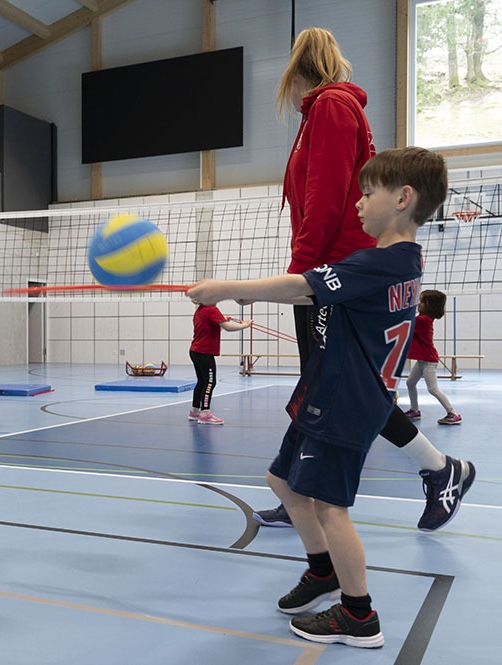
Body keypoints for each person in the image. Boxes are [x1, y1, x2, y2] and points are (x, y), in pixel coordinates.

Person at [188, 146, 472, 647]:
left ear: (403, 198)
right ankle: (323, 570)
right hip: (330, 390)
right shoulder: (399, 262)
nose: (358, 204)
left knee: (329, 508)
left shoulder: (380, 262)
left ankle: (359, 615)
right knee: (282, 482)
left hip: (346, 400)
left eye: (367, 193)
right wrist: (253, 294)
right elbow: (316, 292)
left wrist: (225, 286)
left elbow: (306, 283)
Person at [252, 27, 473, 532]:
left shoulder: (329, 107)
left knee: (342, 391)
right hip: (335, 269)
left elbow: (327, 196)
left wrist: (302, 275)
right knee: (322, 388)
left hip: (334, 274)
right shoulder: (330, 109)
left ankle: (441, 469)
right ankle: (299, 494)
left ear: (296, 72)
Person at [403, 289, 462, 425]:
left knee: (433, 389)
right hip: (423, 359)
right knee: (410, 383)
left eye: (421, 301)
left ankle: (453, 413)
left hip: (428, 360)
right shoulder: (424, 319)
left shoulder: (423, 320)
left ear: (428, 305)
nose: (418, 304)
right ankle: (415, 410)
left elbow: (406, 322)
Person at [189, 302, 252, 425]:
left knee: (202, 382)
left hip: (195, 351)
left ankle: (195, 411)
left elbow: (210, 328)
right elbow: (228, 327)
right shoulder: (211, 309)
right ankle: (205, 413)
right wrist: (245, 325)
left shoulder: (200, 310)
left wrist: (222, 321)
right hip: (205, 352)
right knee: (210, 382)